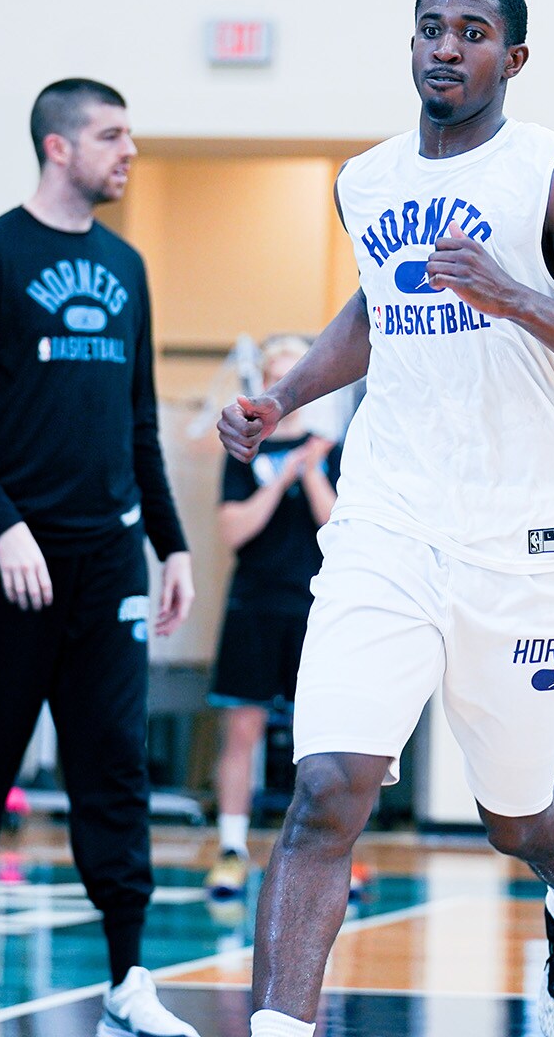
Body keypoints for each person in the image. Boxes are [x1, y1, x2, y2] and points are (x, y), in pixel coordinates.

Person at [218, 0, 554, 1037]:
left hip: (527, 544)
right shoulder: (366, 181)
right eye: (430, 28)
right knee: (329, 785)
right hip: (388, 524)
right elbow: (373, 310)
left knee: (517, 817)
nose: (445, 47)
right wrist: (283, 397)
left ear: (510, 59)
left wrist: (513, 294)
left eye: (472, 33)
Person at [0, 80, 197, 1037]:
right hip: (7, 565)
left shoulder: (127, 266)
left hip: (107, 561)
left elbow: (140, 421)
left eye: (130, 135)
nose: (128, 152)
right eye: (111, 136)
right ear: (56, 146)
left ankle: (128, 974)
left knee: (113, 764)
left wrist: (171, 542)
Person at [204, 335, 339, 900]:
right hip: (254, 605)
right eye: (277, 373)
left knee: (328, 739)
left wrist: (308, 471)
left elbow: (339, 530)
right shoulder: (244, 452)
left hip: (318, 607)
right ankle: (232, 848)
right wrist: (279, 476)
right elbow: (233, 530)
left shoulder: (334, 450)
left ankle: (328, 853)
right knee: (242, 730)